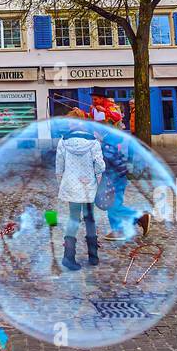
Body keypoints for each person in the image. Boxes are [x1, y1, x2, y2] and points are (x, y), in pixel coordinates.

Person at [55, 113, 105, 271]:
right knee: (90, 219)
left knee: (73, 219)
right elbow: (100, 165)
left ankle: (68, 257)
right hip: (88, 185)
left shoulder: (63, 142)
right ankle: (93, 256)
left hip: (71, 185)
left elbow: (59, 167)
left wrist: (62, 183)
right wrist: (97, 180)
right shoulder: (93, 141)